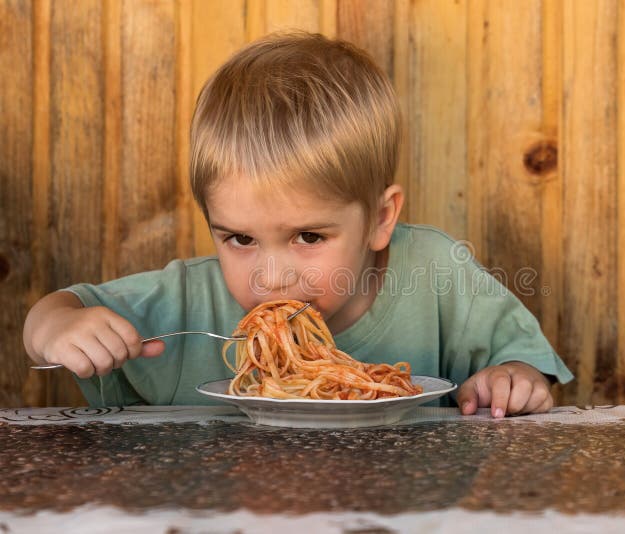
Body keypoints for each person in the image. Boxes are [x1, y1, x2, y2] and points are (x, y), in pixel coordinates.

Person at [23, 31, 573, 416]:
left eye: (308, 237)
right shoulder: (189, 299)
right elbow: (60, 309)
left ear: (381, 219)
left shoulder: (432, 271)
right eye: (240, 239)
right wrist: (55, 330)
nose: (272, 279)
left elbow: (523, 363)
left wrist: (514, 380)